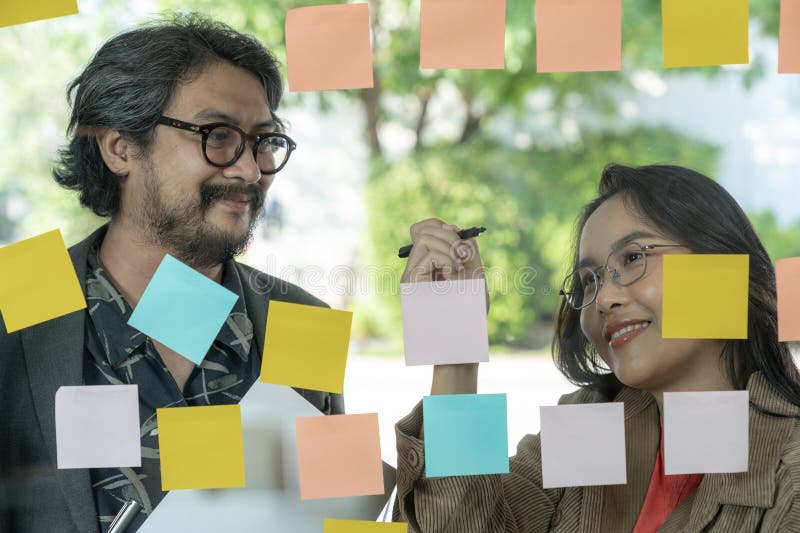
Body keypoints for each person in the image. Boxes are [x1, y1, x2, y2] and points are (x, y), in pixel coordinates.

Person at [0, 14, 347, 533]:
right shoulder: (14, 293)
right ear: (119, 147)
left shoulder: (301, 318)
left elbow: (335, 511)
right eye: (217, 135)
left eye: (263, 141)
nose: (249, 169)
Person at [393, 164, 800, 532]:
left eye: (634, 257)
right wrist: (456, 351)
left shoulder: (790, 464)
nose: (604, 299)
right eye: (589, 280)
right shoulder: (590, 424)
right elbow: (458, 523)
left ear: (725, 269)